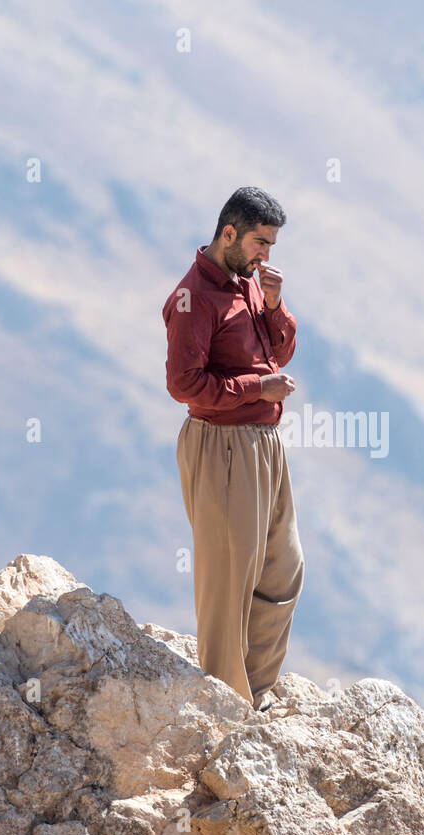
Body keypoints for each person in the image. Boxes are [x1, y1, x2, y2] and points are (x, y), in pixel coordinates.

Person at [162, 186, 303, 712]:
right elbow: (184, 384)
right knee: (228, 582)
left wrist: (274, 304)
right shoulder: (193, 297)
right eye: (261, 243)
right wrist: (256, 390)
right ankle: (224, 710)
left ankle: (254, 694)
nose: (267, 255)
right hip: (221, 446)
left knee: (282, 569)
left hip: (265, 445)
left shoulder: (249, 284)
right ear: (229, 234)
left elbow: (281, 349)